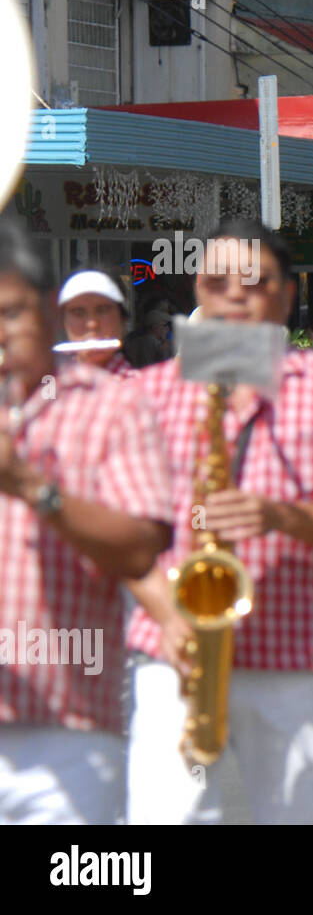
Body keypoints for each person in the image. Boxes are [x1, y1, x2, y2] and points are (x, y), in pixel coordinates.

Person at [124, 219, 313, 824]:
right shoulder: (147, 393)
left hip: (292, 649)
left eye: (255, 281)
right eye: (217, 280)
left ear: (287, 293)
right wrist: (168, 617)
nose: (235, 294)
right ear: (197, 286)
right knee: (168, 817)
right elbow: (127, 538)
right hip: (177, 647)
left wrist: (283, 515)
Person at [0, 224, 172, 824]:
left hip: (66, 731)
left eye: (11, 311)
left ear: (47, 313)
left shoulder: (113, 403)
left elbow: (139, 545)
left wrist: (30, 486)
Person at [57, 269, 135, 378]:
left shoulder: (143, 390)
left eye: (103, 310)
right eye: (78, 312)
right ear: (63, 322)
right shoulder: (46, 387)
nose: (92, 324)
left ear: (123, 320)